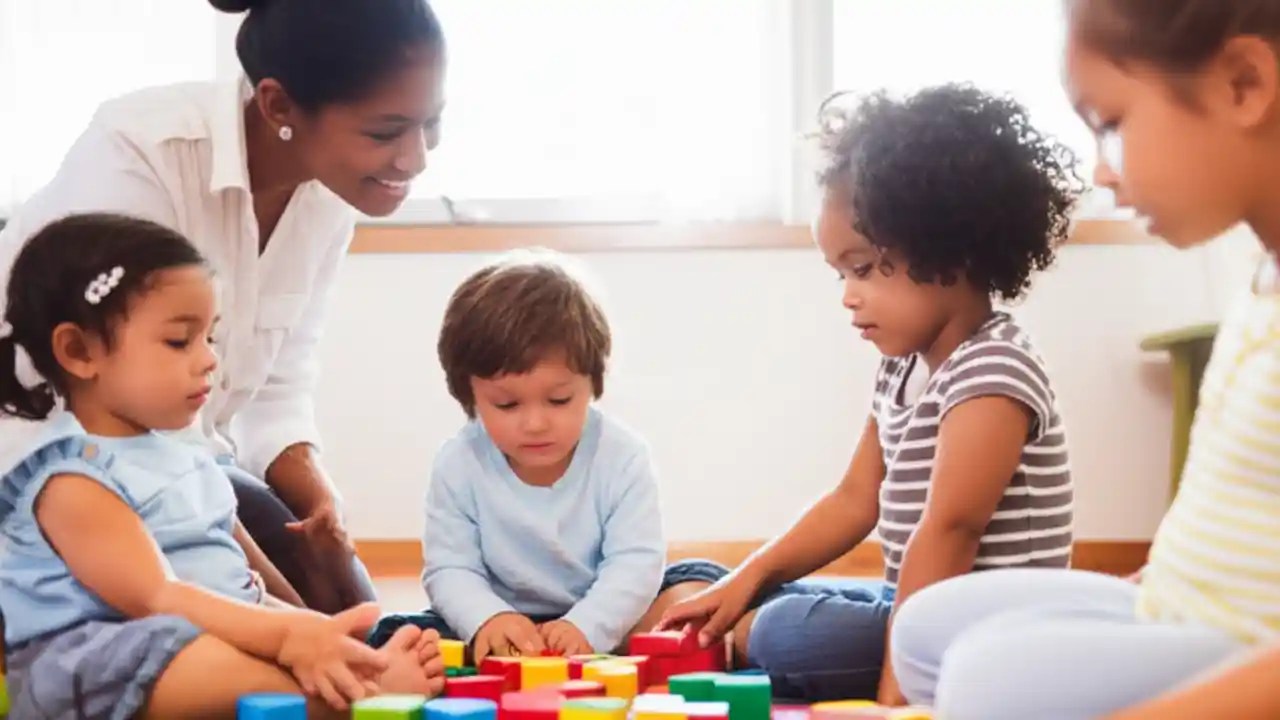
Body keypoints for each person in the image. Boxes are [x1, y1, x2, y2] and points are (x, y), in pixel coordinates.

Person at [888, 2, 1280, 718]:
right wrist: (1152, 580)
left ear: (1243, 84)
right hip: (1179, 605)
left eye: (1112, 125)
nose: (1102, 170)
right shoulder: (1262, 276)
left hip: (1250, 648)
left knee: (986, 684)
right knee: (924, 627)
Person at [0, 0, 448, 614]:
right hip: (61, 458)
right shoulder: (143, 152)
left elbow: (278, 384)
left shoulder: (333, 193)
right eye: (384, 132)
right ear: (278, 106)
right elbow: (133, 420)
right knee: (304, 615)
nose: (415, 158)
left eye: (432, 124)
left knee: (347, 594)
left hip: (181, 467)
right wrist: (293, 618)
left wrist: (318, 496)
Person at [658, 85, 1082, 702]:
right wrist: (746, 577)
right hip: (918, 597)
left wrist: (896, 696)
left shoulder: (995, 369)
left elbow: (949, 532)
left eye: (861, 269)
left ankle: (767, 640)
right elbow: (854, 500)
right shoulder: (902, 369)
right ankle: (743, 618)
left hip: (988, 630)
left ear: (948, 249)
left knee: (788, 634)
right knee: (720, 584)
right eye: (840, 274)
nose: (848, 296)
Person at [0, 213, 446, 719]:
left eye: (209, 337)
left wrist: (317, 633)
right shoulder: (71, 482)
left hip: (201, 632)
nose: (209, 359)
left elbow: (241, 589)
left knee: (257, 634)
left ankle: (346, 681)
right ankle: (347, 699)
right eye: (179, 341)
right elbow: (157, 597)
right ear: (79, 352)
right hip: (102, 667)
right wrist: (291, 635)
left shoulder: (189, 461)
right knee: (189, 650)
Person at [369, 251, 724, 660]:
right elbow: (451, 569)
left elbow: (635, 562)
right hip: (504, 615)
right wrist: (488, 619)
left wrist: (585, 626)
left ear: (592, 382)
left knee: (696, 588)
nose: (535, 423)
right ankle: (514, 647)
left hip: (608, 610)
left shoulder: (622, 456)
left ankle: (603, 645)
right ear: (470, 396)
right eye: (506, 405)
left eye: (558, 400)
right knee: (396, 635)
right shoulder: (458, 462)